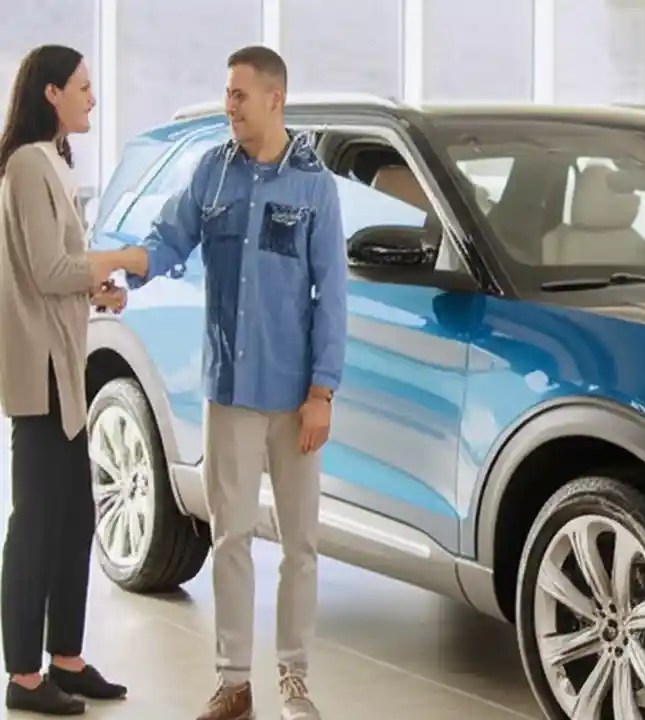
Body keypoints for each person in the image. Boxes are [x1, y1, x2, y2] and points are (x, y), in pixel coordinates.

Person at [112, 45, 346, 720]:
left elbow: (332, 294)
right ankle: (233, 683)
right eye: (227, 94)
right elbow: (166, 241)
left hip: (296, 396)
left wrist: (321, 393)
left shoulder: (313, 186)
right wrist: (125, 278)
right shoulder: (212, 173)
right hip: (230, 393)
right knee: (230, 540)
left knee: (299, 547)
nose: (229, 106)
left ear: (275, 99)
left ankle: (295, 680)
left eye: (240, 94)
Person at [0, 44, 130, 715]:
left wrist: (96, 290)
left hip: (64, 367)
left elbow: (56, 275)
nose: (91, 98)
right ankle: (23, 677)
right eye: (82, 86)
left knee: (76, 516)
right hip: (42, 373)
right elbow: (49, 270)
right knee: (36, 523)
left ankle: (67, 658)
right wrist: (116, 258)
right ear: (50, 92)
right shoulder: (26, 164)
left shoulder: (52, 160)